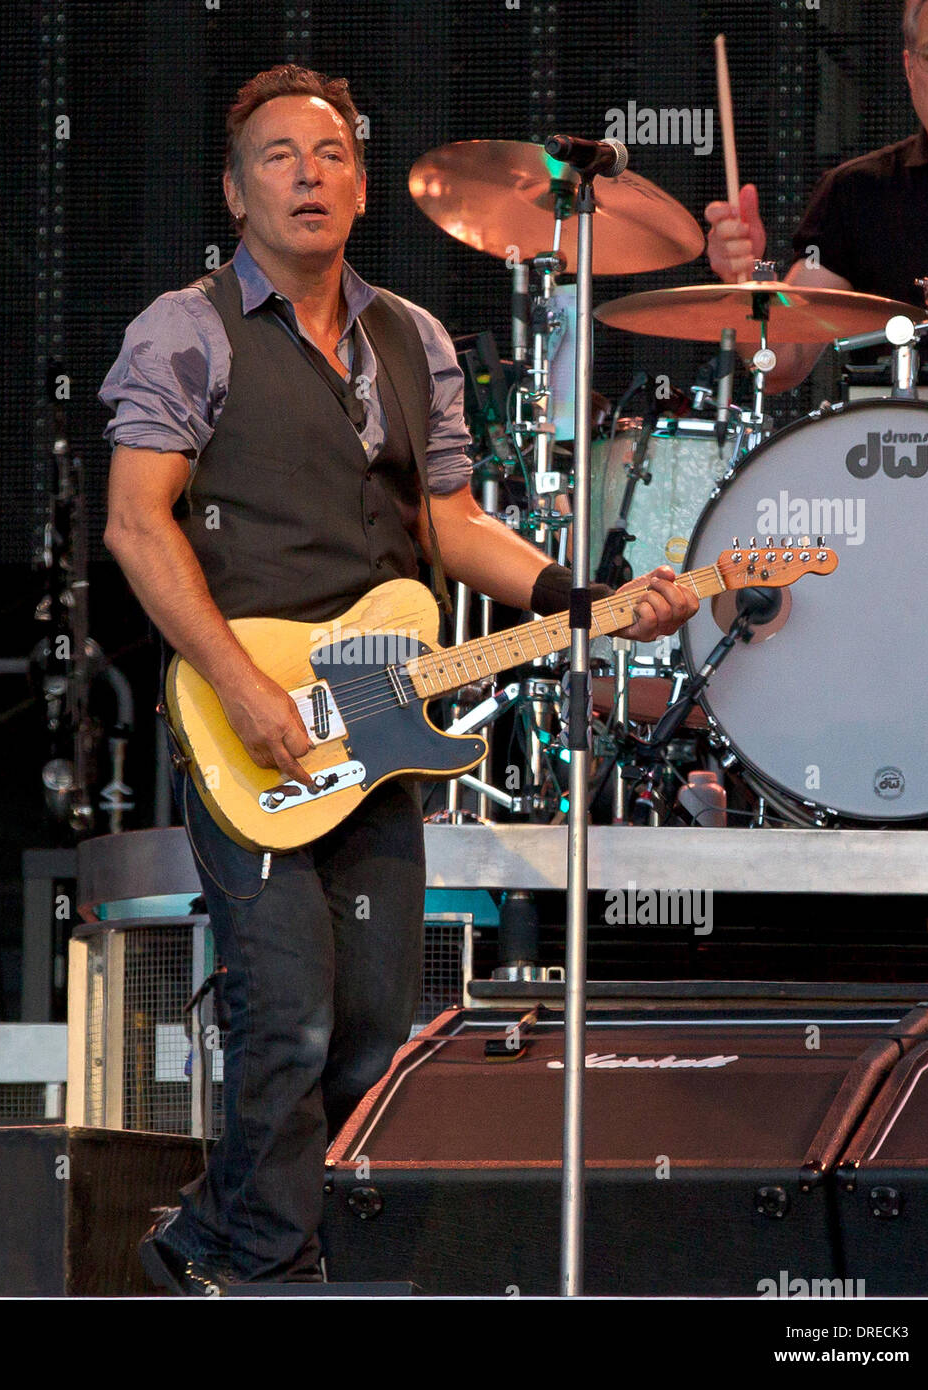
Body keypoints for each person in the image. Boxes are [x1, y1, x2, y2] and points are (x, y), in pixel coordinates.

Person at [99, 63, 697, 1294]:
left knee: (370, 1023)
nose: (305, 175)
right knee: (290, 1015)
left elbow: (452, 523)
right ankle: (269, 1267)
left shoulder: (409, 337)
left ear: (360, 187)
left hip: (379, 719)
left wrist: (576, 599)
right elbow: (136, 527)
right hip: (244, 710)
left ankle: (200, 1244)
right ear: (234, 189)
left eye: (327, 155)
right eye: (276, 156)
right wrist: (241, 683)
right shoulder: (187, 328)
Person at [705, 0, 928, 392]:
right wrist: (743, 280)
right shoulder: (857, 193)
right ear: (910, 69)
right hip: (895, 445)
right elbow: (778, 366)